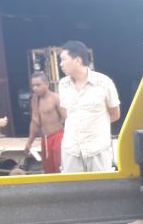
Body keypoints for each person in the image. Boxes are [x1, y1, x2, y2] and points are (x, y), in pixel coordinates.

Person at [58, 40, 120, 172]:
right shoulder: (63, 85)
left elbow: (115, 114)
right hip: (71, 149)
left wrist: (95, 126)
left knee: (101, 190)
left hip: (97, 149)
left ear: (77, 60)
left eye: (63, 59)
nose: (60, 64)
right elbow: (65, 113)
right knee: (72, 190)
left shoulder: (103, 82)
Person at [25, 72, 65, 174]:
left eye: (38, 85)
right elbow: (34, 122)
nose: (35, 88)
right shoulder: (34, 99)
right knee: (48, 171)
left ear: (47, 85)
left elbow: (66, 118)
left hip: (58, 138)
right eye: (33, 85)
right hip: (45, 140)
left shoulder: (55, 98)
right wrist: (29, 142)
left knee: (60, 168)